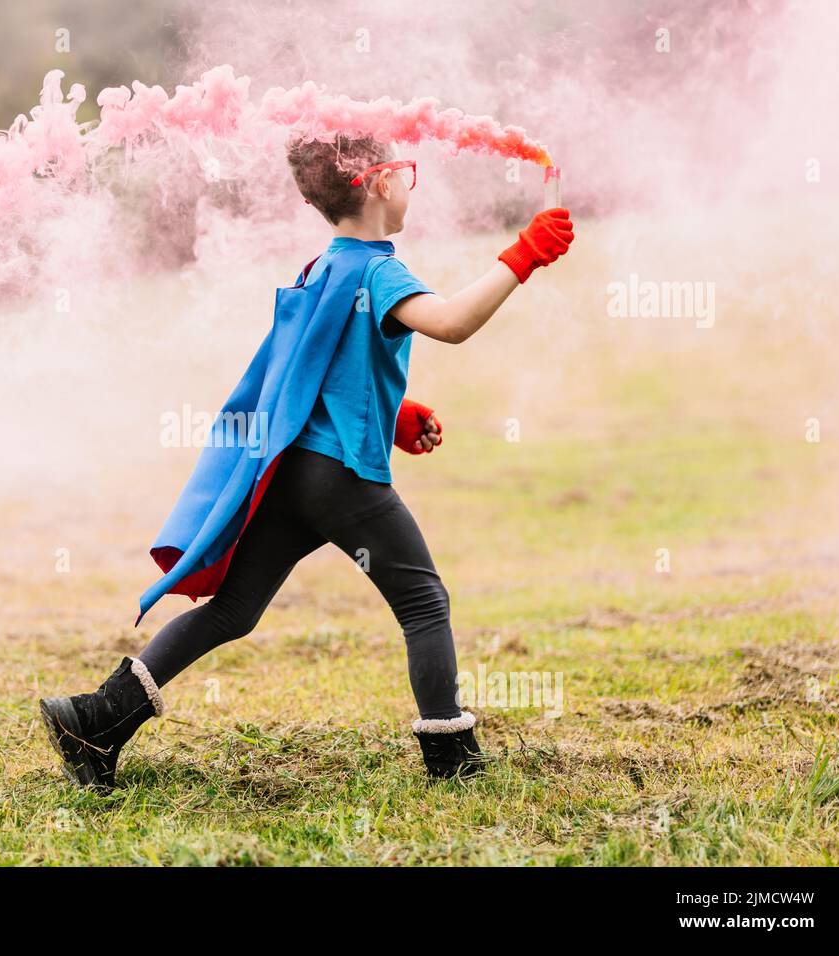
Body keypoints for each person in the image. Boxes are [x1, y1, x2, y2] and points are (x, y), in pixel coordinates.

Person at [40, 135, 574, 790]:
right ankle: (453, 761)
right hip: (340, 477)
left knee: (234, 610)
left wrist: (391, 411)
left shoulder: (324, 264)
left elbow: (318, 362)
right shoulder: (379, 271)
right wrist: (526, 254)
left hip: (296, 471)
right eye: (406, 172)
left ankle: (93, 719)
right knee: (424, 602)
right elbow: (454, 322)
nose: (413, 183)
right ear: (377, 184)